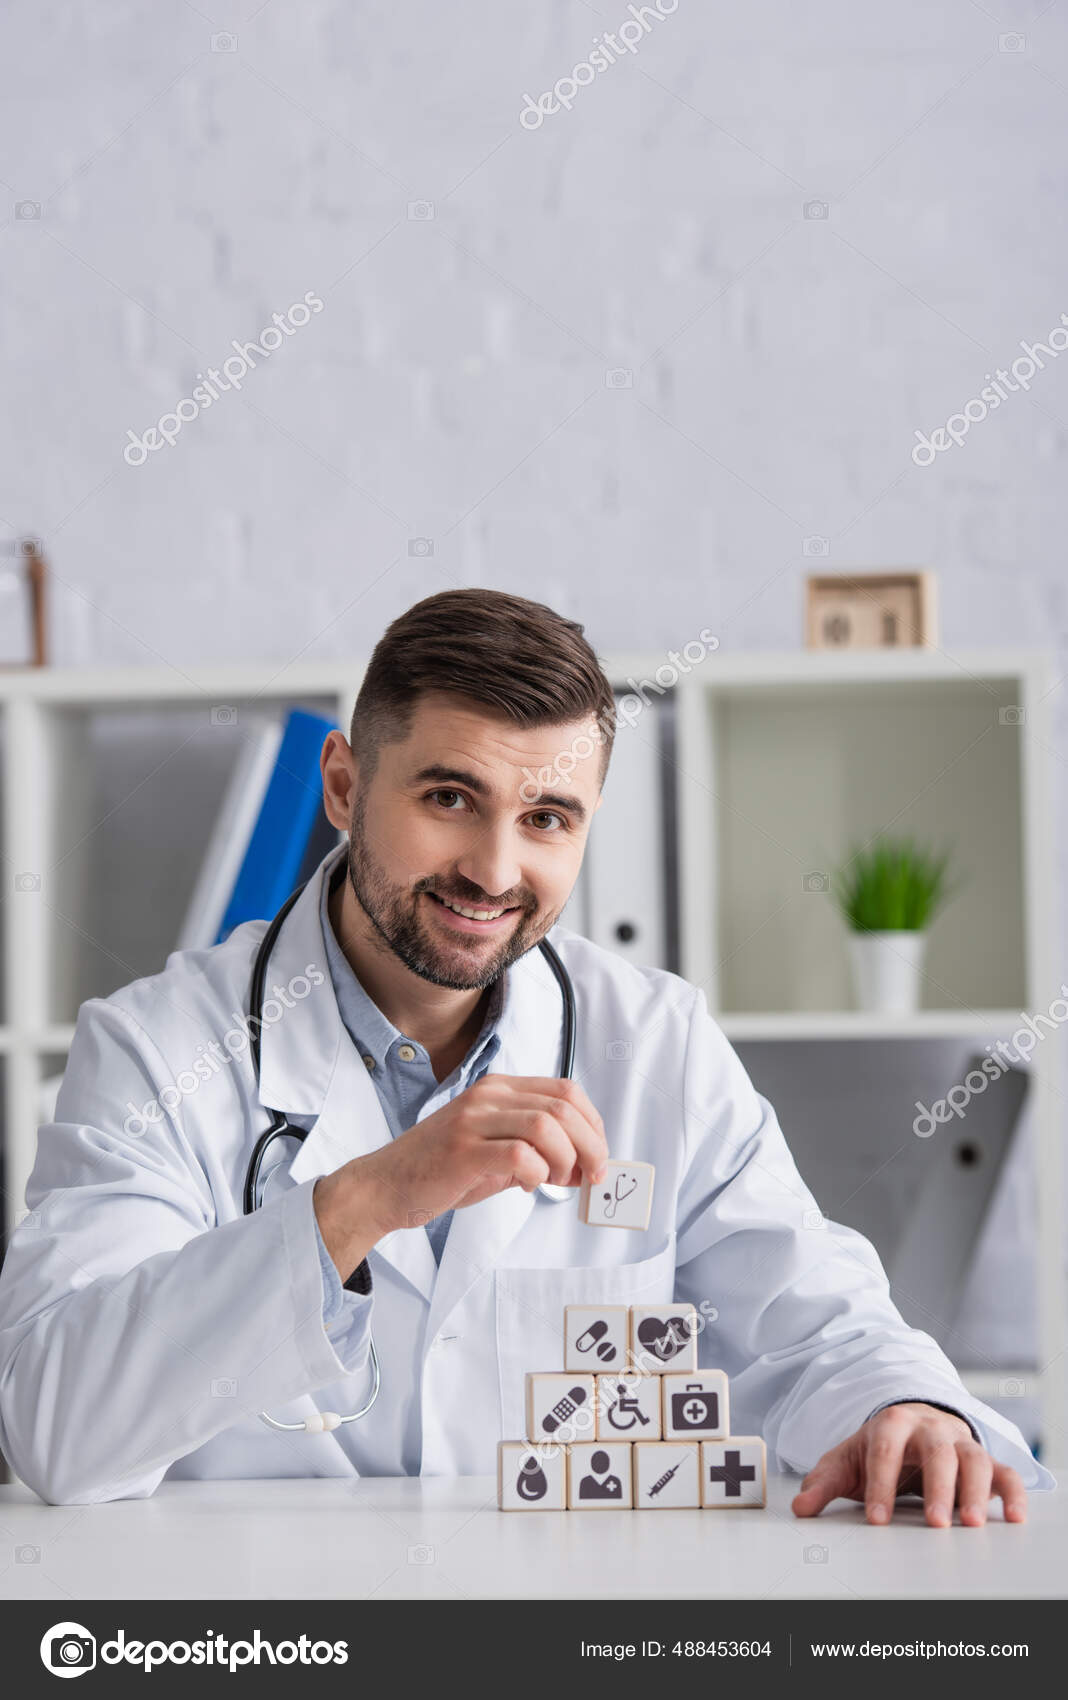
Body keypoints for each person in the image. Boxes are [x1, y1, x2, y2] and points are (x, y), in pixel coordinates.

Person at [0, 590, 1054, 1523]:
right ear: (344, 785)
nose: (494, 870)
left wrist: (906, 1408)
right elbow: (58, 1426)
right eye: (449, 798)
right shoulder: (158, 1049)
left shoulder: (657, 1043)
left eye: (546, 818)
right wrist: (369, 1196)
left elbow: (816, 1324)